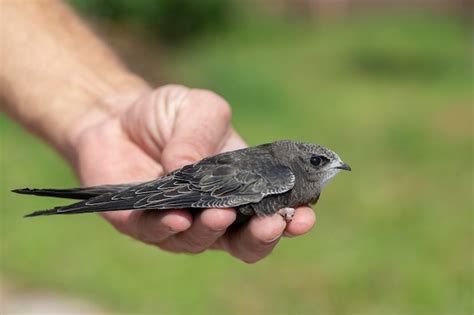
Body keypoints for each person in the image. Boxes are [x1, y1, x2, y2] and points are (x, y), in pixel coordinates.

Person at [0, 0, 315, 263]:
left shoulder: (288, 177)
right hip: (192, 181)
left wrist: (101, 113)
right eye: (319, 162)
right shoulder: (280, 172)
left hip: (186, 182)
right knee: (162, 203)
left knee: (177, 209)